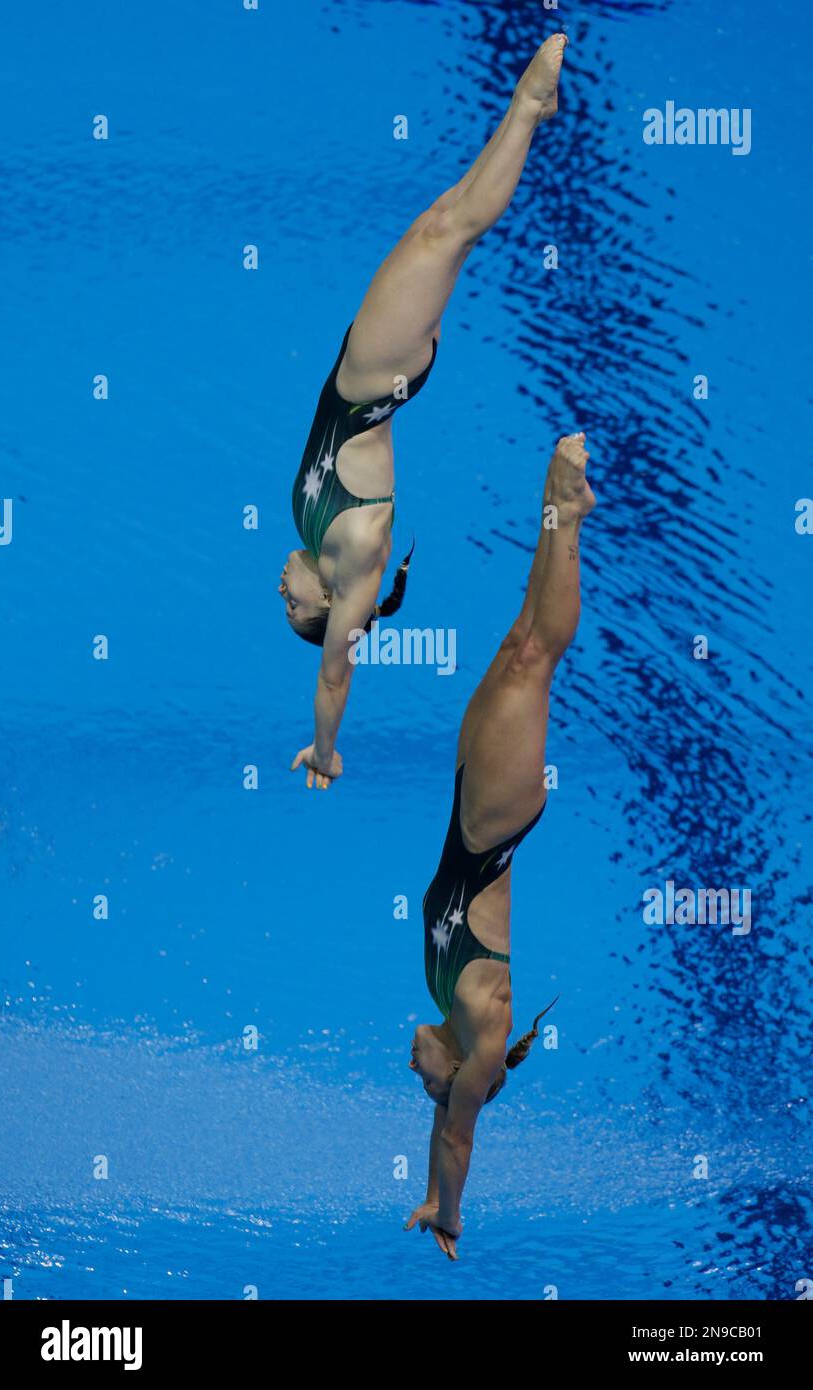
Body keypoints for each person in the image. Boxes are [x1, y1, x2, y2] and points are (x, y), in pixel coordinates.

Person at [283, 33, 570, 790]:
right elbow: (335, 682)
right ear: (326, 607)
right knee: (451, 230)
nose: (282, 593)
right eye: (293, 611)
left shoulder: (315, 539)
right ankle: (529, 108)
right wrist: (323, 751)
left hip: (371, 371)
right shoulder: (355, 571)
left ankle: (528, 116)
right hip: (376, 377)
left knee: (445, 224)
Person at [405, 432, 595, 1260]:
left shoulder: (451, 1016)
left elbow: (438, 1132)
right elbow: (457, 1138)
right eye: (424, 1083)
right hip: (495, 827)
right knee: (534, 656)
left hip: (468, 806)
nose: (411, 1072)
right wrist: (448, 1215)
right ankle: (569, 506)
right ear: (454, 1077)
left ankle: (559, 512)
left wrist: (422, 1195)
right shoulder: (477, 1035)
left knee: (520, 635)